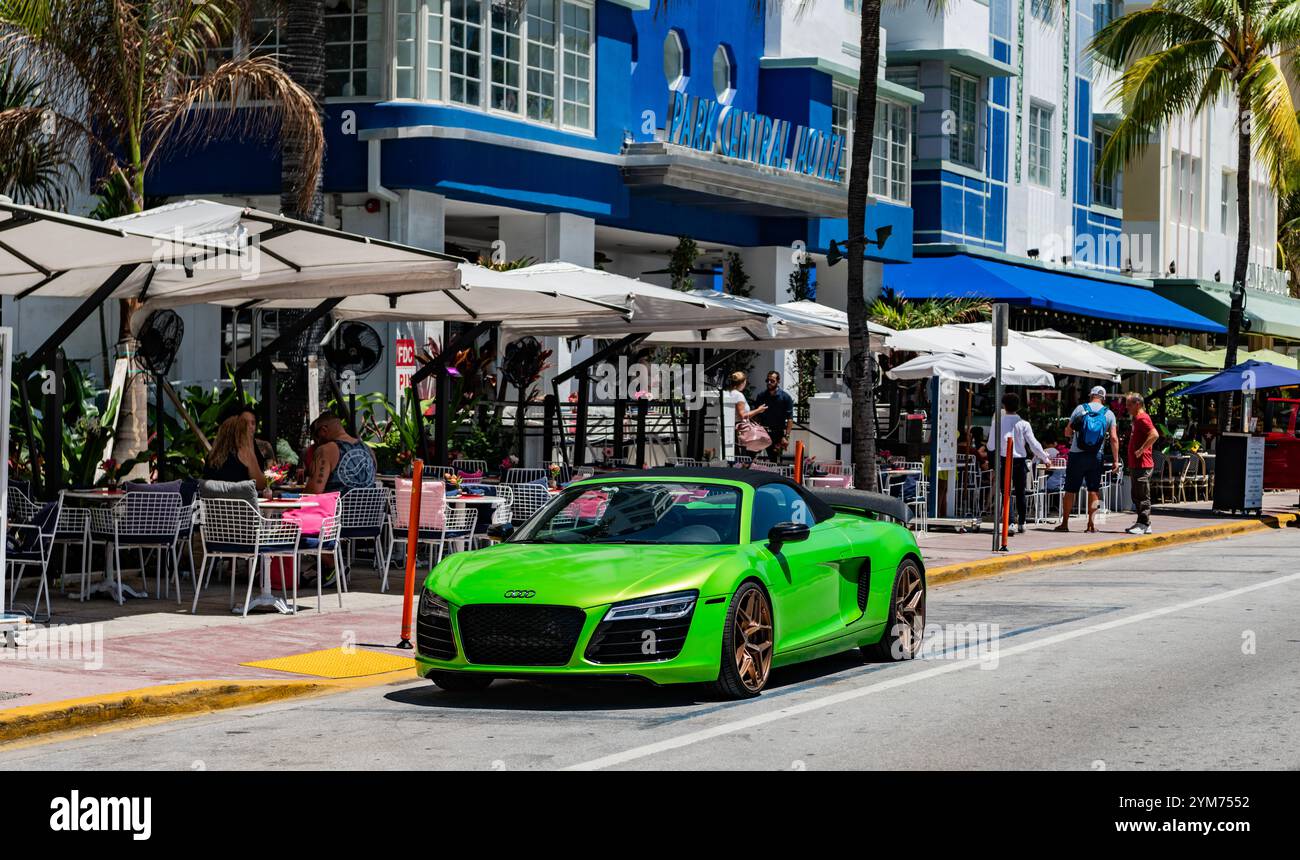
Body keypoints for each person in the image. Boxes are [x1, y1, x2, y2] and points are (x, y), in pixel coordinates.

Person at [1056, 385, 1121, 533]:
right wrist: (1116, 460)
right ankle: (1091, 525)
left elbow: (1067, 431)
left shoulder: (1080, 409)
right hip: (1096, 455)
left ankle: (1065, 523)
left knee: (1070, 489)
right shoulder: (1109, 414)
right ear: (1103, 398)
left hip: (1076, 454)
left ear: (1091, 395)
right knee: (1093, 490)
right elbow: (1114, 438)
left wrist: (1074, 433)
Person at [988, 392, 1051, 534]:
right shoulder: (1024, 424)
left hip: (1003, 460)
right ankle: (1022, 522)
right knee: (1021, 492)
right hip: (1020, 461)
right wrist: (1045, 458)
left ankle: (1010, 522)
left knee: (1006, 492)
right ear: (1019, 407)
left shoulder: (997, 422)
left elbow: (991, 446)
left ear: (1004, 406)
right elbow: (1033, 444)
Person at [304, 412, 376, 494]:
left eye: (317, 435)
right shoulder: (369, 450)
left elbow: (313, 492)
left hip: (337, 506)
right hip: (370, 506)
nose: (317, 440)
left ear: (324, 430)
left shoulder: (326, 450)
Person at [203, 415, 269, 491]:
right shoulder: (245, 455)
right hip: (242, 502)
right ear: (240, 434)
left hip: (214, 502)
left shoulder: (211, 457)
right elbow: (261, 485)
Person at [1125, 392, 1159, 535]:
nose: (1127, 407)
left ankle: (1145, 524)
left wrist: (1141, 449)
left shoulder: (1142, 418)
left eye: (1129, 404)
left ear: (1137, 404)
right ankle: (1141, 522)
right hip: (1137, 464)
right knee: (1137, 494)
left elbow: (1154, 434)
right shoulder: (1137, 419)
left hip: (1143, 463)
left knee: (1142, 494)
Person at [752, 371, 795, 463]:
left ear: (778, 381)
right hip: (762, 432)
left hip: (777, 435)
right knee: (751, 457)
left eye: (772, 381)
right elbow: (756, 416)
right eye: (767, 380)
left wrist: (786, 437)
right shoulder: (761, 396)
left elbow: (790, 419)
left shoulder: (785, 397)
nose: (769, 383)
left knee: (774, 461)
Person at [726, 371, 768, 458]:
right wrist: (758, 410)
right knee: (744, 456)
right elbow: (743, 415)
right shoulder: (738, 395)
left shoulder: (728, 393)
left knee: (734, 456)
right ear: (742, 383)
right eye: (745, 382)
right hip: (740, 429)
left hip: (731, 428)